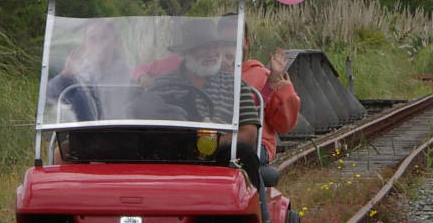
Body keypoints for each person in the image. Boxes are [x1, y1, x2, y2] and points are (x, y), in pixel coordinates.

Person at [150, 19, 260, 150]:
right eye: (204, 47)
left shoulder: (236, 86)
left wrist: (212, 144)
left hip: (219, 159)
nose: (212, 53)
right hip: (168, 155)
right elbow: (145, 127)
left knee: (246, 154)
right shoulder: (162, 84)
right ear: (186, 51)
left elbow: (250, 133)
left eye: (216, 47)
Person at [216, 15, 300, 164]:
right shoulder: (210, 75)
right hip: (219, 138)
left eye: (234, 42)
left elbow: (283, 125)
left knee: (245, 157)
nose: (230, 48)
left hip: (256, 141)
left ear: (246, 43)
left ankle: (256, 185)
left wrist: (284, 92)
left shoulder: (261, 75)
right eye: (223, 43)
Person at [47, 20, 130, 121]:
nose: (99, 43)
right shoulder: (77, 69)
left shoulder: (122, 69)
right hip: (83, 130)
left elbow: (110, 101)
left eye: (104, 37)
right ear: (85, 44)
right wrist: (66, 73)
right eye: (92, 39)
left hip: (115, 127)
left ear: (115, 42)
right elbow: (48, 97)